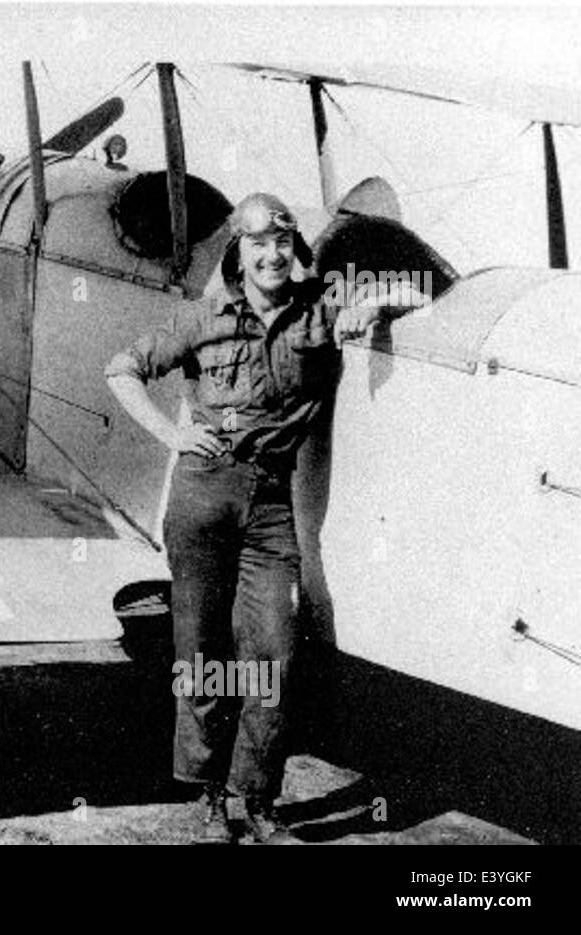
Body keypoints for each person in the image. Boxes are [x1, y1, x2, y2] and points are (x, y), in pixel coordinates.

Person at [104, 192, 427, 844]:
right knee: (201, 655)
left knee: (274, 657)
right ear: (240, 253)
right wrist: (173, 435)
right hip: (202, 500)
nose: (273, 252)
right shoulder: (202, 318)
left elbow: (409, 289)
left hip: (272, 508)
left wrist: (381, 303)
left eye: (283, 241)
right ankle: (210, 799)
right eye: (258, 243)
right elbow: (123, 369)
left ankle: (259, 797)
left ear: (294, 251)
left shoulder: (319, 317)